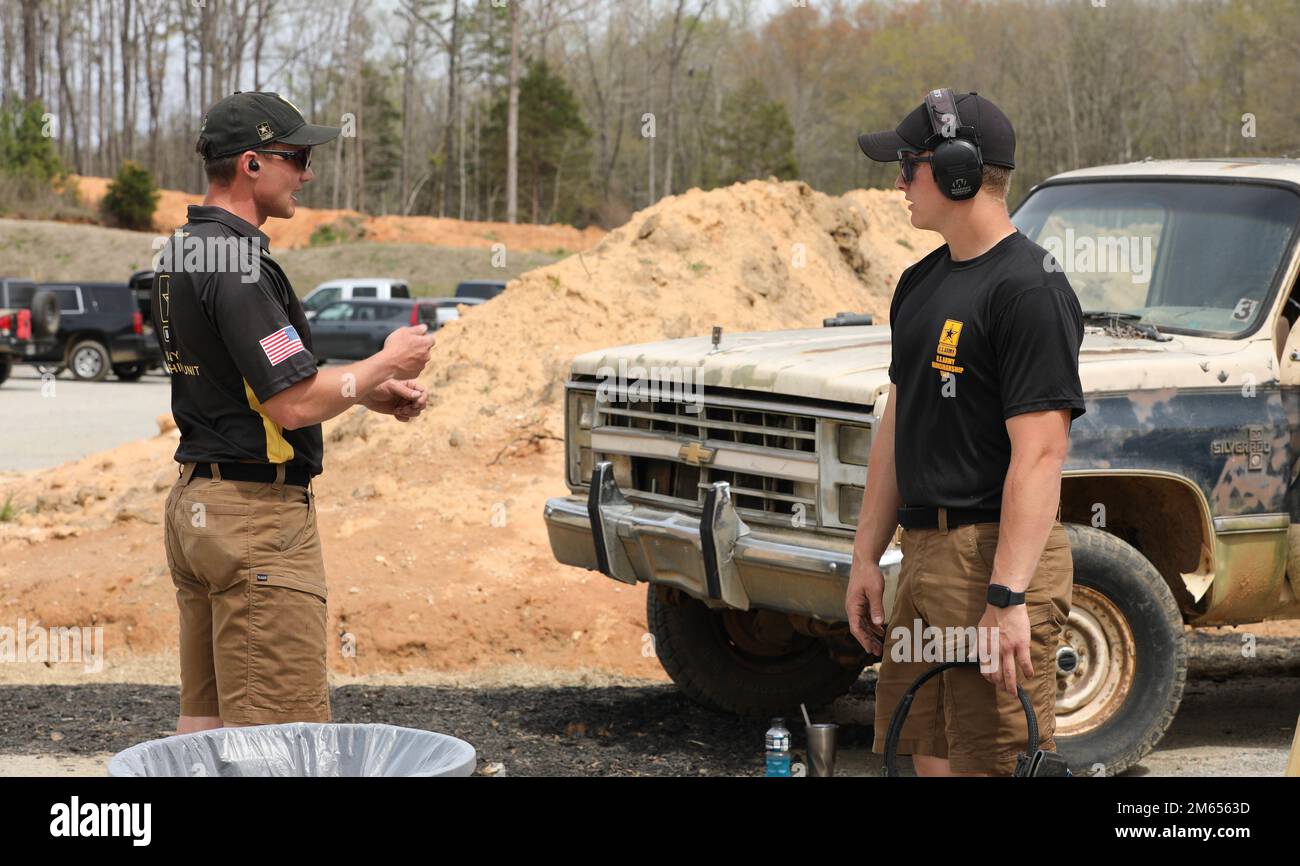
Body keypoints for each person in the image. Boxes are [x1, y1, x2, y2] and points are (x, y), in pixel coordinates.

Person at [152, 91, 435, 734]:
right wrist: (386, 363)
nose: (307, 173)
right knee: (281, 743)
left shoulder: (186, 252)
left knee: (205, 732)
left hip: (199, 510)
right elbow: (291, 403)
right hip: (257, 525)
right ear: (252, 163)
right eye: (297, 156)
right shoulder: (242, 267)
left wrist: (362, 390)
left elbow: (244, 382)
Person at [846, 89, 1085, 776]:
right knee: (928, 754)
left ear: (957, 170)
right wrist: (868, 556)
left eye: (908, 166)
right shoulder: (919, 283)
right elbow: (901, 419)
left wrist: (1006, 598)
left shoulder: (1028, 289)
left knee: (994, 760)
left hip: (993, 559)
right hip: (923, 556)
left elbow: (1040, 455)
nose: (898, 183)